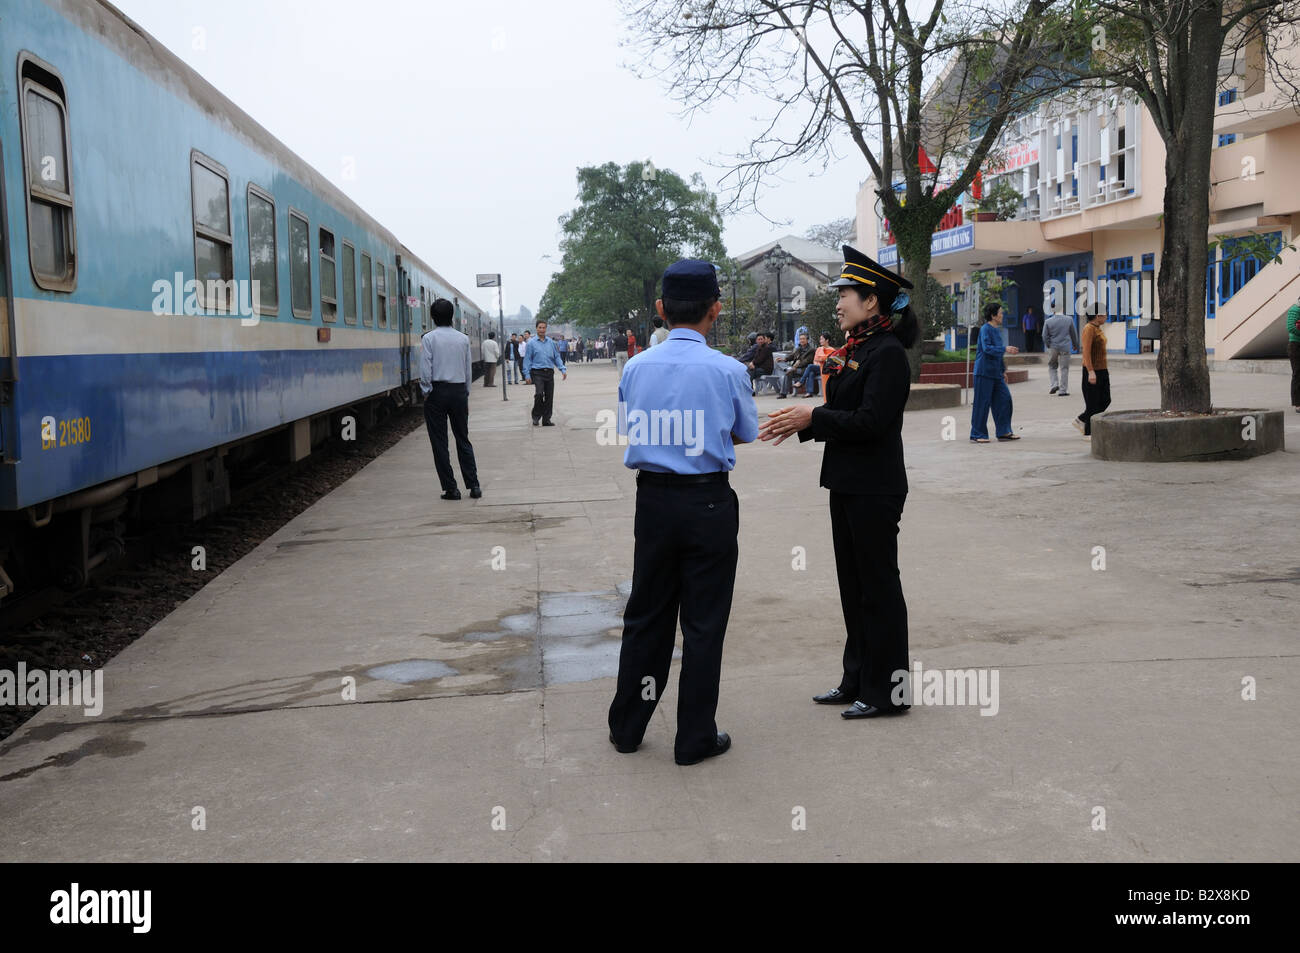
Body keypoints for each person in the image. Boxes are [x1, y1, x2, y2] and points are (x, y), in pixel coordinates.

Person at [608, 259, 758, 765]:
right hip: (709, 502)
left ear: (659, 310)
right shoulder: (730, 370)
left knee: (647, 615)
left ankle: (628, 727)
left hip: (652, 502)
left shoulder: (634, 367)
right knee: (704, 622)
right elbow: (742, 433)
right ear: (716, 309)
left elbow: (635, 426)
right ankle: (694, 738)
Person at [757, 245, 915, 719]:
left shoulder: (886, 355)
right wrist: (809, 419)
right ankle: (857, 679)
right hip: (848, 482)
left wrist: (813, 418)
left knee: (878, 587)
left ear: (872, 302)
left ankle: (889, 692)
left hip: (874, 487)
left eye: (846, 293)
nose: (838, 301)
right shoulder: (856, 350)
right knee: (853, 585)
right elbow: (844, 412)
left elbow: (870, 422)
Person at [420, 298, 480, 500]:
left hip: (437, 392)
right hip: (458, 391)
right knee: (463, 438)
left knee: (440, 442)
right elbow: (467, 370)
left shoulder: (428, 338)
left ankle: (451, 489)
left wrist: (426, 391)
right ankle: (474, 486)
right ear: (452, 316)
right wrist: (466, 394)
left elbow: (425, 370)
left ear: (432, 317)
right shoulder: (463, 339)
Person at [969, 302, 1021, 443]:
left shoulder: (997, 329)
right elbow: (987, 348)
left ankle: (1004, 431)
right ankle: (977, 433)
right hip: (984, 372)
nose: (1002, 315)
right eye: (1000, 313)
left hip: (996, 373)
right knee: (982, 403)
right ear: (993, 315)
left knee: (1005, 399)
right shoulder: (985, 329)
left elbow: (997, 353)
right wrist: (1005, 349)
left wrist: (1003, 371)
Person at [523, 320, 567, 426]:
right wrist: (527, 374)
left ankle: (546, 419)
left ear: (546, 329)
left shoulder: (552, 343)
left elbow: (556, 357)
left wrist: (562, 369)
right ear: (536, 328)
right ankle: (536, 416)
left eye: (544, 328)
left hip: (549, 372)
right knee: (539, 394)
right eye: (540, 328)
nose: (542, 330)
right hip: (537, 372)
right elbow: (527, 360)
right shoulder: (531, 343)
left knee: (549, 396)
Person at [1075, 309, 1111, 436]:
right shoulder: (1089, 329)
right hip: (1092, 370)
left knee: (1106, 399)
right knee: (1093, 403)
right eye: (1104, 314)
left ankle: (1082, 419)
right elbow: (1086, 352)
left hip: (1102, 370)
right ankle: (1089, 433)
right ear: (1097, 315)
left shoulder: (1098, 328)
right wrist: (1090, 371)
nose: (1106, 316)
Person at [1042, 308, 1079, 396]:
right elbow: (1073, 334)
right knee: (1064, 368)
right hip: (1065, 347)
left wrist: (1048, 345)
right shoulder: (1069, 319)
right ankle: (1063, 391)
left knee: (1052, 366)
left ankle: (1054, 384)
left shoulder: (1048, 321)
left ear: (1053, 311)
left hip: (1053, 347)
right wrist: (1075, 345)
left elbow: (1044, 335)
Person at [779, 330, 815, 399]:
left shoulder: (811, 350)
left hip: (804, 369)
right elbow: (792, 356)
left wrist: (795, 367)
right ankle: (783, 393)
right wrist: (784, 359)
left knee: (790, 371)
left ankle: (804, 389)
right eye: (800, 339)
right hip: (796, 368)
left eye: (803, 339)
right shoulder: (799, 349)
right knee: (787, 374)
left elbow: (806, 361)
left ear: (807, 340)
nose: (801, 340)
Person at [805, 331, 834, 399]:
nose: (820, 341)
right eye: (820, 339)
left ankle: (801, 382)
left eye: (822, 339)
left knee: (828, 387)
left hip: (828, 371)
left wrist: (822, 359)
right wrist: (822, 359)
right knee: (811, 372)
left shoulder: (832, 350)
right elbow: (816, 359)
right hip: (820, 368)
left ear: (827, 340)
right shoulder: (819, 349)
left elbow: (829, 359)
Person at [1288, 296, 1300, 412]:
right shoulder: (1294, 310)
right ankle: (1297, 403)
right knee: (1297, 373)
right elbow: (1291, 327)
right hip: (1296, 346)